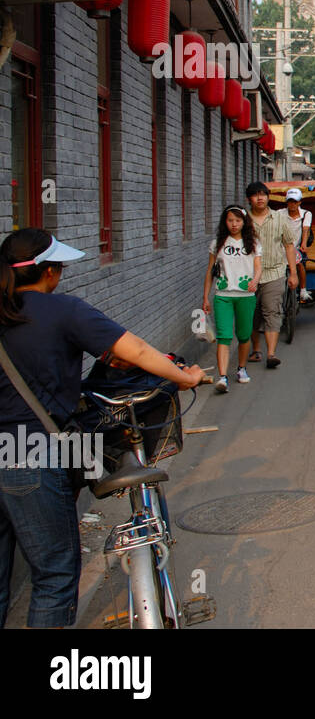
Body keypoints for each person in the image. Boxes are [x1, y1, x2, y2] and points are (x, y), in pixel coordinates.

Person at [0, 229, 203, 628]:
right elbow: (140, 352)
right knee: (54, 577)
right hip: (30, 454)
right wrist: (186, 377)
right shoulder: (63, 311)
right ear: (50, 272)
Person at [202, 206, 262, 392]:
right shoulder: (217, 244)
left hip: (246, 296)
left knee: (244, 335)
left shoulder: (253, 243)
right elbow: (210, 272)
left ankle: (241, 369)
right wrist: (205, 297)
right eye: (230, 220)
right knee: (224, 336)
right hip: (223, 296)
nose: (234, 224)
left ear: (244, 222)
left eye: (237, 221)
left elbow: (258, 266)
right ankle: (222, 377)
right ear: (224, 222)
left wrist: (255, 280)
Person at [245, 181, 297, 369]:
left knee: (272, 311)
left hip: (274, 272)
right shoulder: (243, 219)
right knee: (252, 314)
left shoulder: (279, 218)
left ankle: (271, 353)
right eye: (255, 195)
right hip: (248, 276)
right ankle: (256, 349)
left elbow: (289, 245)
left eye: (263, 194)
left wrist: (293, 273)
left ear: (268, 197)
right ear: (249, 199)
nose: (260, 198)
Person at [284, 188, 313, 305]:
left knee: (300, 263)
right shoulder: (280, 214)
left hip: (297, 247)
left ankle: (303, 290)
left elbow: (305, 229)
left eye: (295, 202)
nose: (292, 204)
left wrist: (304, 244)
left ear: (300, 202)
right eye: (290, 201)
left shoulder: (306, 214)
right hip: (282, 247)